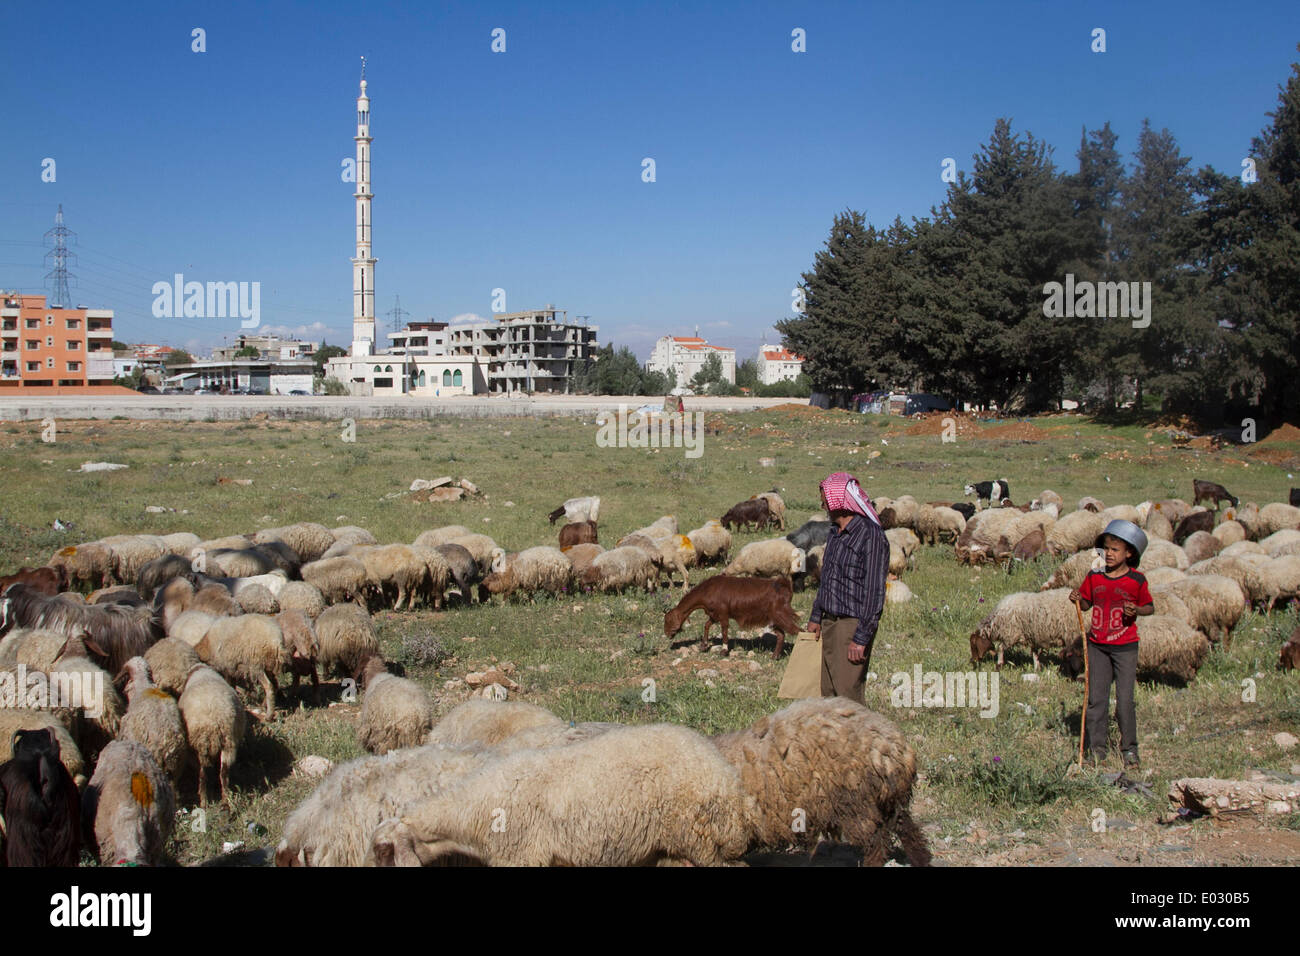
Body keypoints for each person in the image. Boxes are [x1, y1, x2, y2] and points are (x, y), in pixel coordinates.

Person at [1069, 520, 1153, 770]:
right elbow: (1085, 604)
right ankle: (1097, 750)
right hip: (1097, 645)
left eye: (1115, 550)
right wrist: (1077, 599)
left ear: (1129, 553)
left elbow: (1149, 607)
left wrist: (1136, 609)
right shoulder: (1095, 578)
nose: (1109, 554)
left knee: (1125, 700)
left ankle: (1129, 750)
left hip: (1125, 646)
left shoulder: (1136, 580)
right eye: (1106, 549)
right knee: (1096, 699)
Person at [806, 472, 890, 703]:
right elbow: (827, 579)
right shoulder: (835, 533)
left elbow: (874, 592)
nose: (822, 504)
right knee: (827, 693)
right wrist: (816, 616)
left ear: (837, 501)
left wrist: (861, 638)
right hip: (829, 621)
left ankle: (857, 738)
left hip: (850, 624)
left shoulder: (870, 536)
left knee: (847, 697)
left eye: (825, 499)